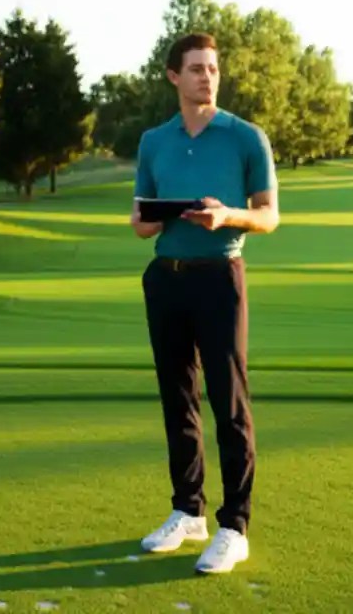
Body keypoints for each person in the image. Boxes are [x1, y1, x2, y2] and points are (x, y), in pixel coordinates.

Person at [130, 33, 280, 575]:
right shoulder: (154, 141)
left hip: (220, 276)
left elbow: (268, 216)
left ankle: (233, 525)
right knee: (178, 400)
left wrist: (227, 216)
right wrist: (152, 217)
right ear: (174, 76)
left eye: (212, 69)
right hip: (165, 277)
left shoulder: (245, 138)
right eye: (195, 69)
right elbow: (142, 223)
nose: (206, 77)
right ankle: (186, 510)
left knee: (229, 402)